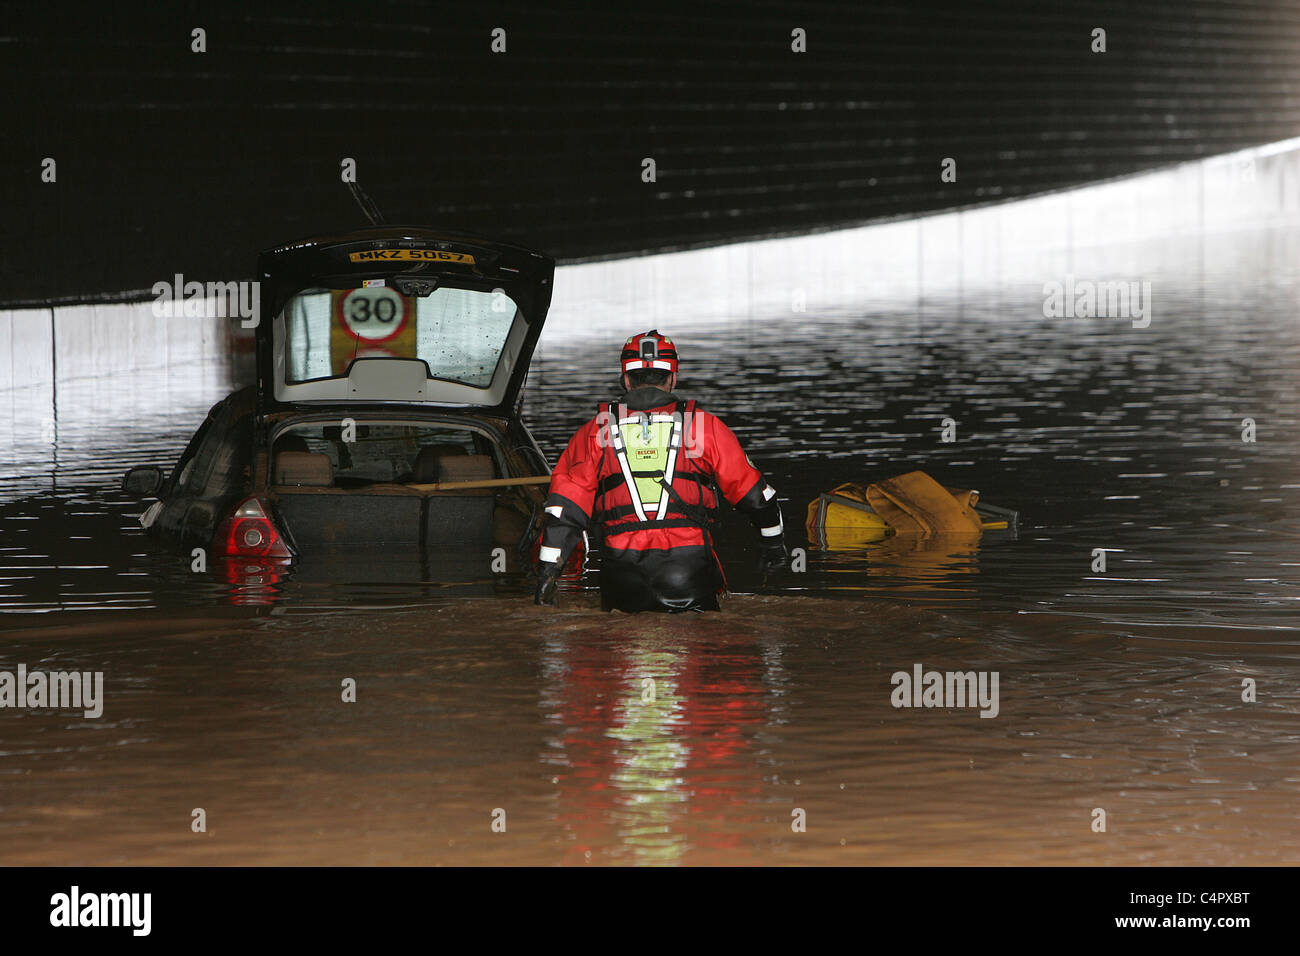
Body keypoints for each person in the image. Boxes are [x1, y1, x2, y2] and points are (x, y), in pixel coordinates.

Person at [534, 329, 786, 612]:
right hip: (689, 574)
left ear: (626, 379)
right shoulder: (704, 427)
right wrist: (772, 543)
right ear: (673, 378)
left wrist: (547, 575)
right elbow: (757, 497)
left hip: (622, 577)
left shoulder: (594, 432)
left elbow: (562, 511)